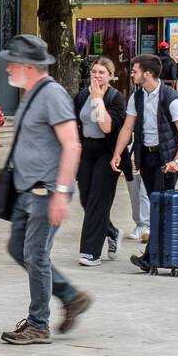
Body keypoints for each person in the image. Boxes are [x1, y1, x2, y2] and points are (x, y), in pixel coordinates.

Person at [0, 34, 91, 345]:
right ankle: (70, 295)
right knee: (18, 249)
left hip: (46, 191)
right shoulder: (31, 93)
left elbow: (72, 145)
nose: (7, 68)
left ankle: (39, 324)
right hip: (28, 190)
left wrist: (61, 192)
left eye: (12, 63)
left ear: (28, 66)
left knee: (35, 254)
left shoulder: (52, 95)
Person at [110, 54, 178, 272]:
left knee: (160, 204)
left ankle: (152, 257)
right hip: (145, 156)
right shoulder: (137, 97)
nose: (132, 74)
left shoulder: (171, 98)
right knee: (158, 204)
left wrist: (177, 160)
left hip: (167, 158)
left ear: (147, 74)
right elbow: (127, 128)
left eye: (135, 71)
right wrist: (117, 153)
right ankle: (162, 254)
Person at [74, 57, 125, 266]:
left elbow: (106, 127)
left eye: (102, 72)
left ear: (111, 75)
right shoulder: (81, 96)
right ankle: (112, 232)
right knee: (86, 199)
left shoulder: (115, 98)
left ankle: (91, 252)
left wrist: (98, 100)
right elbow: (75, 123)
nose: (96, 76)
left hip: (107, 151)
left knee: (98, 200)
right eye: (94, 71)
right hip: (86, 150)